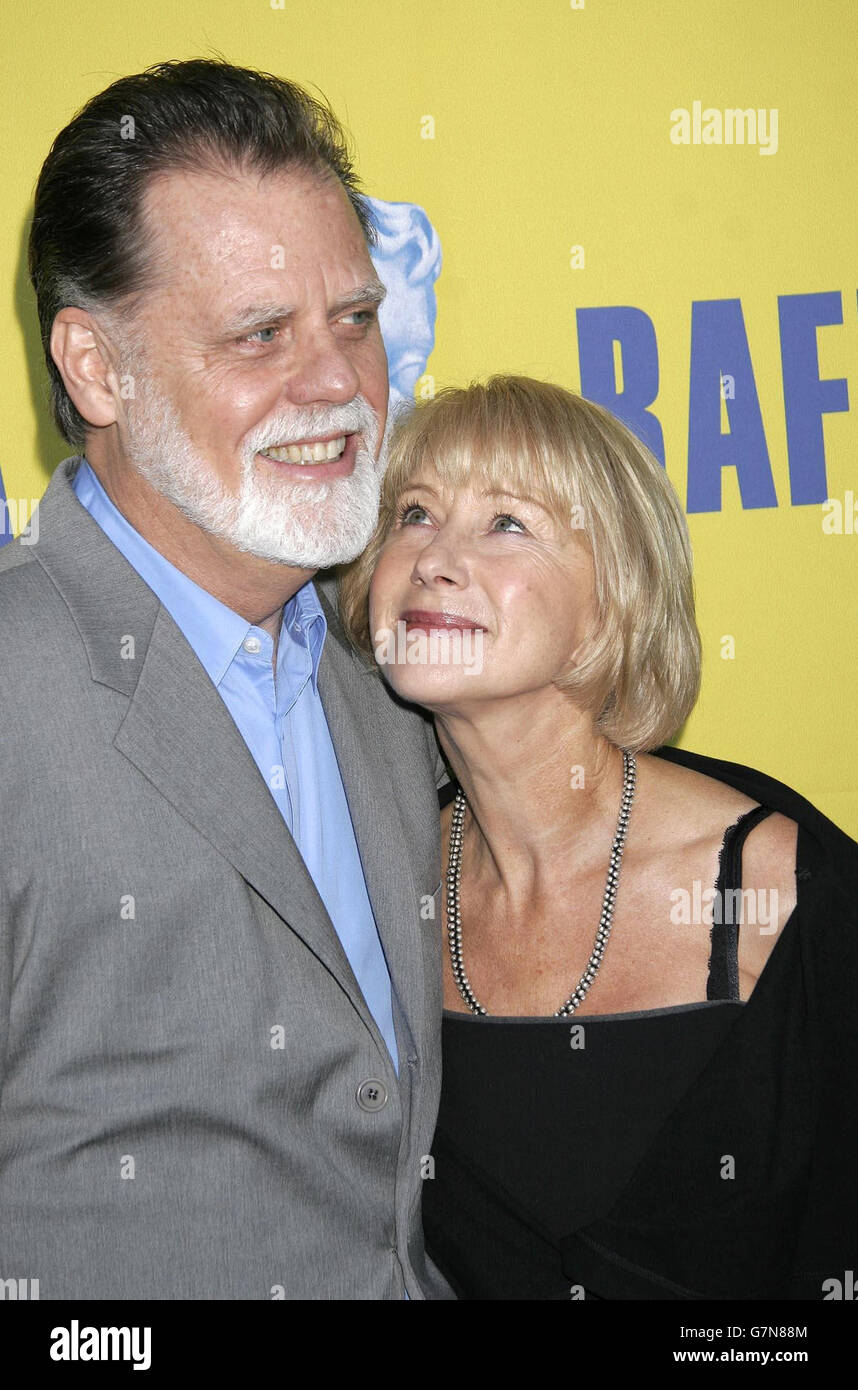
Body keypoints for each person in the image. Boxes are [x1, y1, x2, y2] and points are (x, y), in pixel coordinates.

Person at [0, 59, 453, 1300]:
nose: (337, 385)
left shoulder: (394, 664)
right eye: (262, 334)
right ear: (96, 368)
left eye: (353, 319)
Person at [339, 374, 858, 1300]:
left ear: (611, 605)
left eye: (507, 523)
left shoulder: (787, 891)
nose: (434, 559)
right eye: (413, 514)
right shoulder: (369, 893)